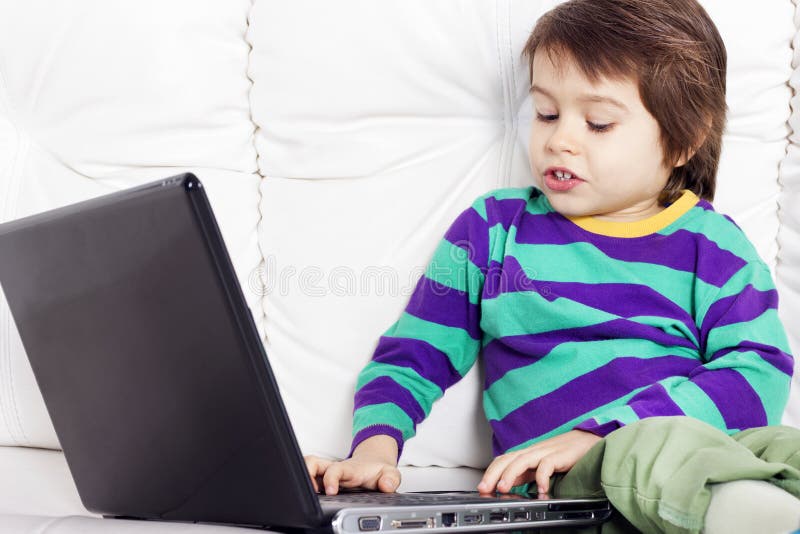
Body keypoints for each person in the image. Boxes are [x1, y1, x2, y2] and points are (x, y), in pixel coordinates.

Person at [305, 0, 799, 531]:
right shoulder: (493, 230)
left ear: (683, 139)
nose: (560, 140)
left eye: (599, 123)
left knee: (783, 448)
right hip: (570, 483)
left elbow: (757, 372)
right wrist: (373, 453)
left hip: (694, 449)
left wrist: (609, 427)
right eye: (545, 113)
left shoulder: (713, 242)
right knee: (648, 450)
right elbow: (412, 357)